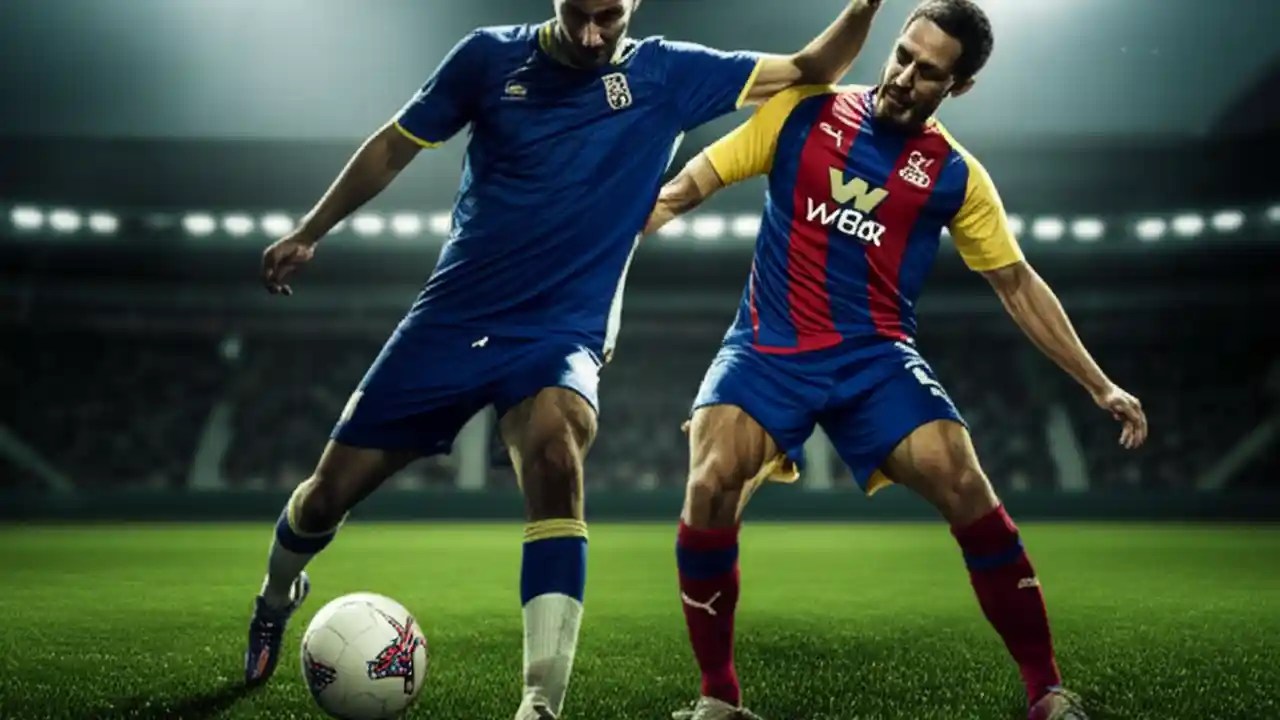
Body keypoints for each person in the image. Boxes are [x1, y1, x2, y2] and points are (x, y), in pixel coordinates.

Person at [245, 1, 889, 718]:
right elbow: (397, 143)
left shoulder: (670, 74)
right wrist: (311, 229)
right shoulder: (488, 58)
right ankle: (277, 593)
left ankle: (540, 704)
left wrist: (865, 4)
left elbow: (812, 70)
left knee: (556, 456)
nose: (590, 33)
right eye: (576, 14)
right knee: (325, 497)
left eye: (607, 17)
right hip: (453, 320)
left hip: (561, 332)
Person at [643, 2, 1149, 718]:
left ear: (958, 88)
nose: (904, 77)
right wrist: (624, 225)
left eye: (928, 72)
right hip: (768, 345)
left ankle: (1046, 690)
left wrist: (1099, 385)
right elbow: (685, 188)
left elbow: (1015, 282)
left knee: (962, 477)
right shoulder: (802, 114)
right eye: (903, 55)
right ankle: (719, 700)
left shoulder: (956, 177)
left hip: (876, 359)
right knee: (709, 479)